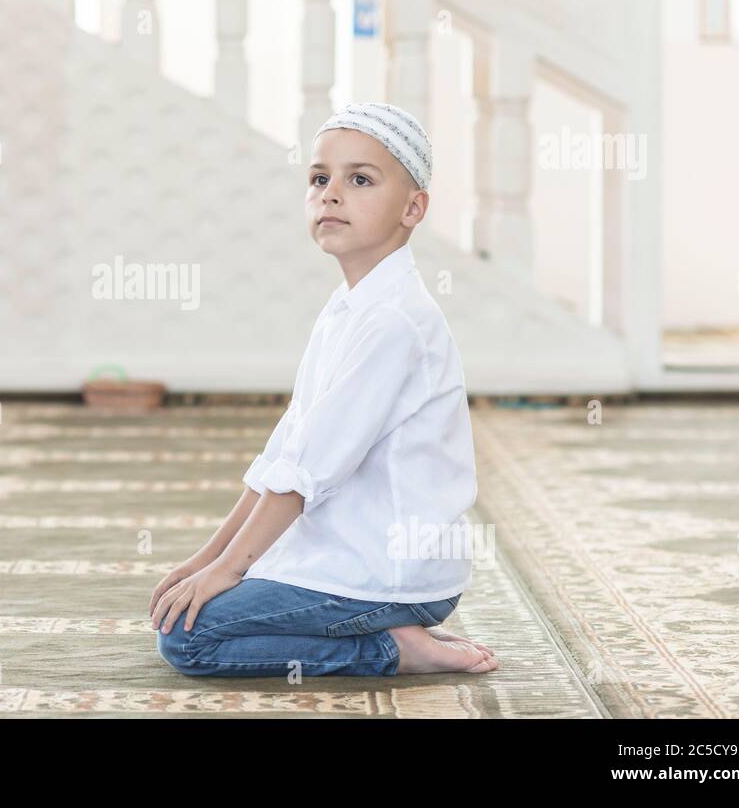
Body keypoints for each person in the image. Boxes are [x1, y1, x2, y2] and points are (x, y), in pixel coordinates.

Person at [150, 102, 498, 677]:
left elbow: (309, 470)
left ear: (413, 208)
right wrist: (206, 558)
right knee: (182, 610)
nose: (330, 194)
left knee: (190, 641)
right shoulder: (349, 307)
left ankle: (388, 647)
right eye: (319, 178)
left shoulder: (394, 322)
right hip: (350, 556)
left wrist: (231, 571)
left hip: (392, 571)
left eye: (359, 179)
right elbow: (285, 452)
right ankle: (382, 629)